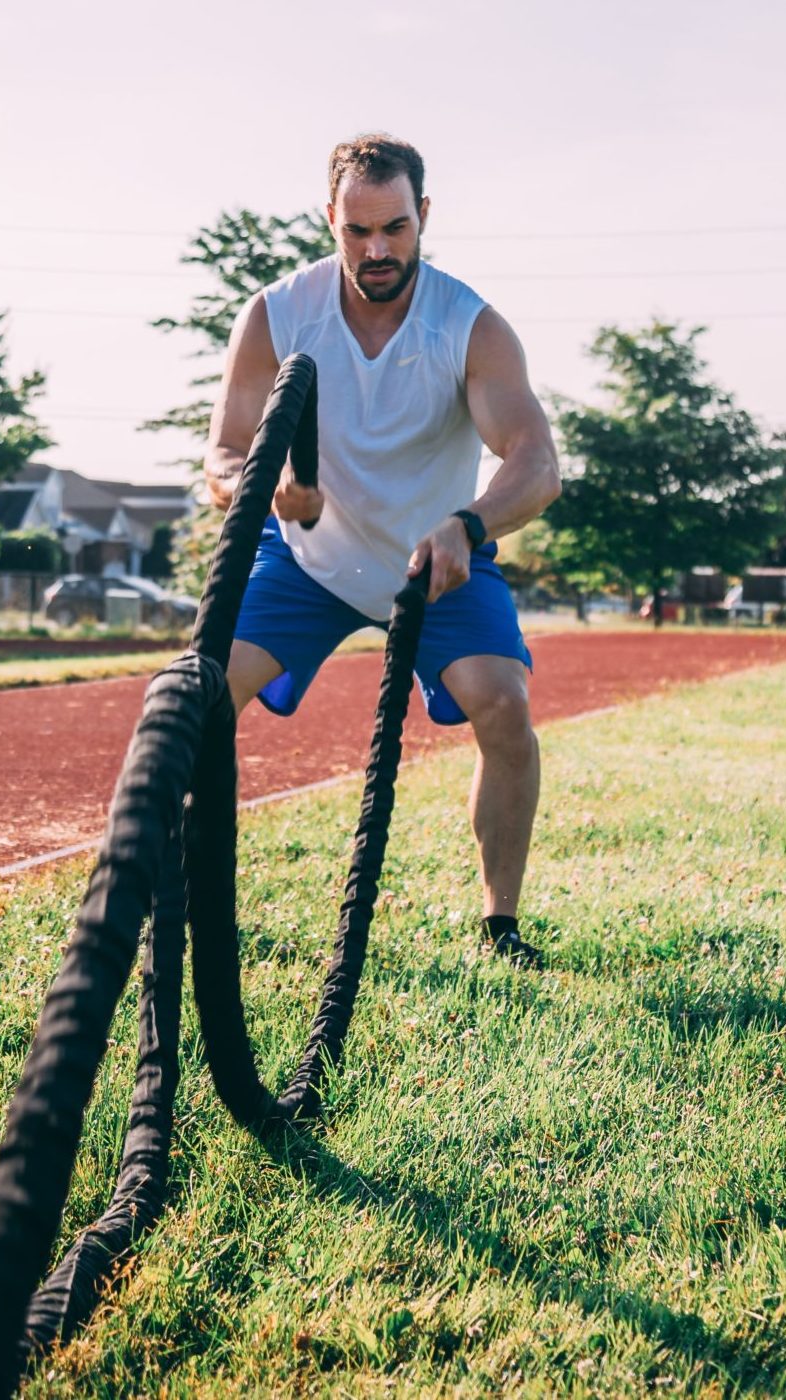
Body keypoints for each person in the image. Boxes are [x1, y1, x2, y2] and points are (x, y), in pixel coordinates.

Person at [204, 133, 562, 968]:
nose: (377, 250)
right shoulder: (275, 314)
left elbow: (537, 464)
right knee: (204, 694)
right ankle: (189, 894)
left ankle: (500, 925)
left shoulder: (468, 325)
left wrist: (468, 525)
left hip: (436, 559)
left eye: (395, 228)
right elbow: (221, 455)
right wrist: (262, 484)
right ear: (329, 220)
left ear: (423, 215)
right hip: (307, 555)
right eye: (357, 230)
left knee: (504, 709)